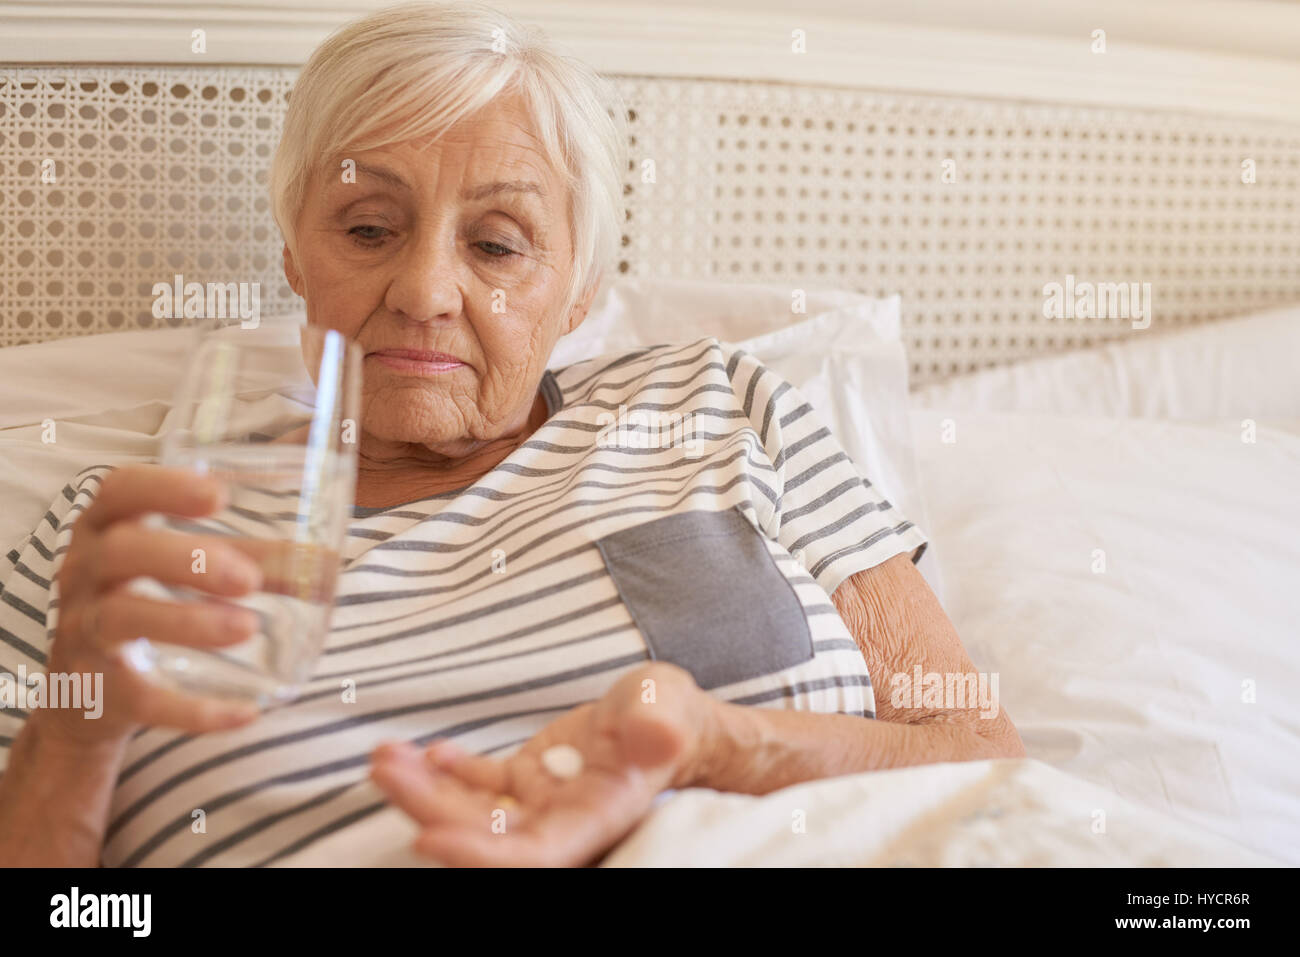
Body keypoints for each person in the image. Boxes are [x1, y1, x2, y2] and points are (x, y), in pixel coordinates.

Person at [0, 1, 1022, 867]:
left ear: (577, 294)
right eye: (366, 228)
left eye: (496, 244)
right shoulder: (119, 534)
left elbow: (977, 750)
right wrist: (71, 737)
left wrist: (714, 745)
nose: (424, 290)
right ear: (296, 257)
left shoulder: (716, 400)